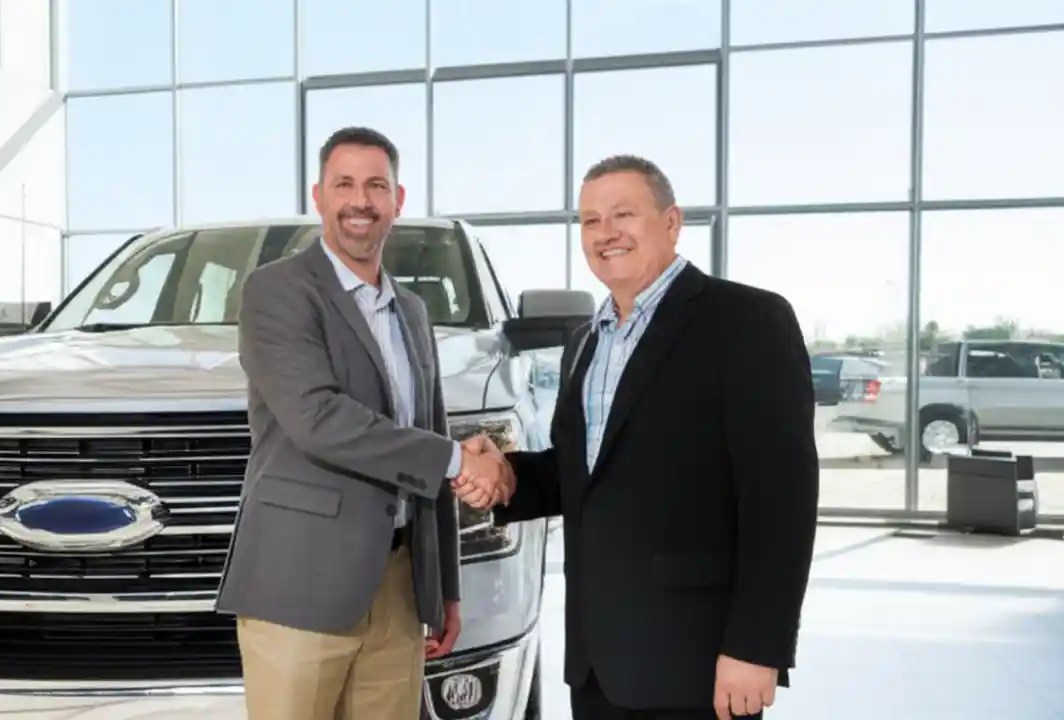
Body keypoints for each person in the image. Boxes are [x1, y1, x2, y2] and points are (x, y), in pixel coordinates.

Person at [453, 155, 820, 720]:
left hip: (697, 661)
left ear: (671, 222)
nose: (606, 234)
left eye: (624, 214)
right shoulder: (587, 342)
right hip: (598, 661)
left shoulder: (747, 321)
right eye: (591, 221)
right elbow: (586, 473)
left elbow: (783, 501)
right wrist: (508, 474)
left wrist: (756, 647)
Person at [217, 126, 506, 720]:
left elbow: (425, 429)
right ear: (319, 195)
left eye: (377, 186)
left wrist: (443, 585)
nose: (360, 201)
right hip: (299, 586)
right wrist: (457, 459)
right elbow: (319, 419)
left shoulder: (413, 311)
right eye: (344, 184)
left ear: (397, 201)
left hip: (399, 590)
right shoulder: (277, 291)